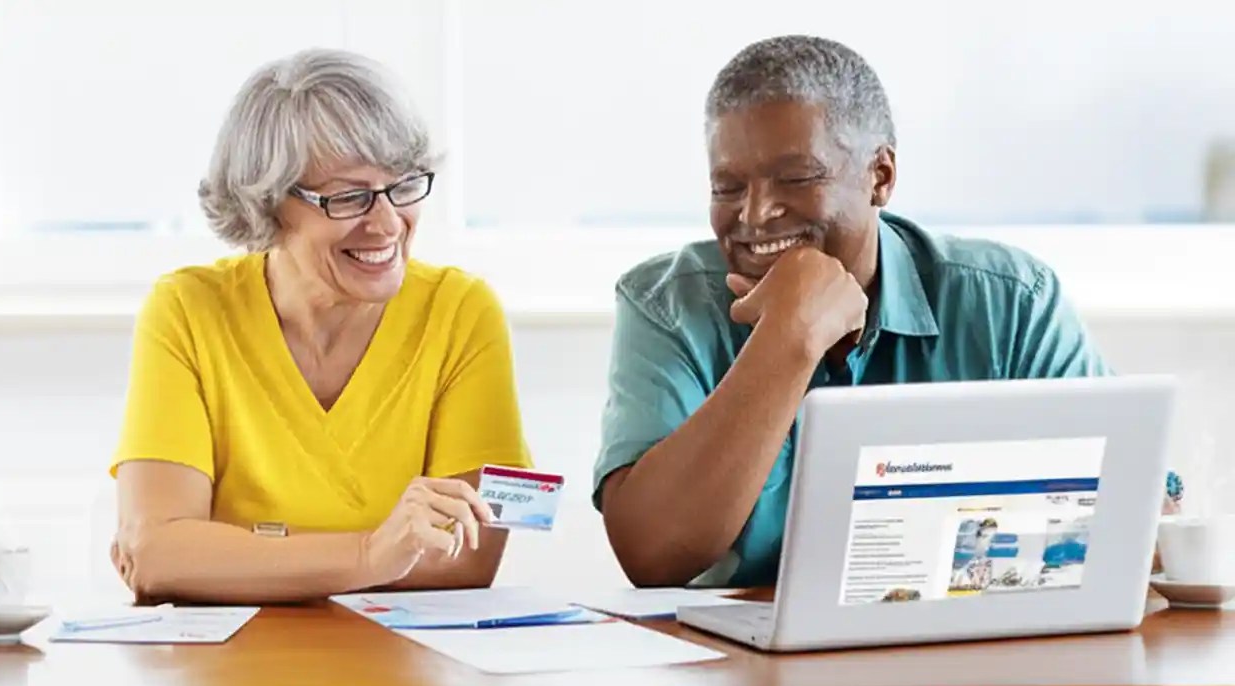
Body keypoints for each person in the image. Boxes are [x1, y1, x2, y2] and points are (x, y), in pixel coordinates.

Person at [593, 35, 1181, 588]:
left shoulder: (1011, 302)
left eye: (795, 178)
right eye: (727, 187)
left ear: (880, 176)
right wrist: (788, 339)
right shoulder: (666, 306)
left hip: (964, 649)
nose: (756, 213)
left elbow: (1141, 507)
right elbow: (651, 555)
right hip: (741, 676)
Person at [109, 48, 531, 603]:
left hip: (404, 669)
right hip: (229, 671)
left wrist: (235, 552)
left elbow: (466, 558)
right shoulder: (188, 310)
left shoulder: (459, 311)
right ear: (266, 203)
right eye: (348, 197)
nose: (386, 224)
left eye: (403, 186)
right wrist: (371, 553)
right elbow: (157, 556)